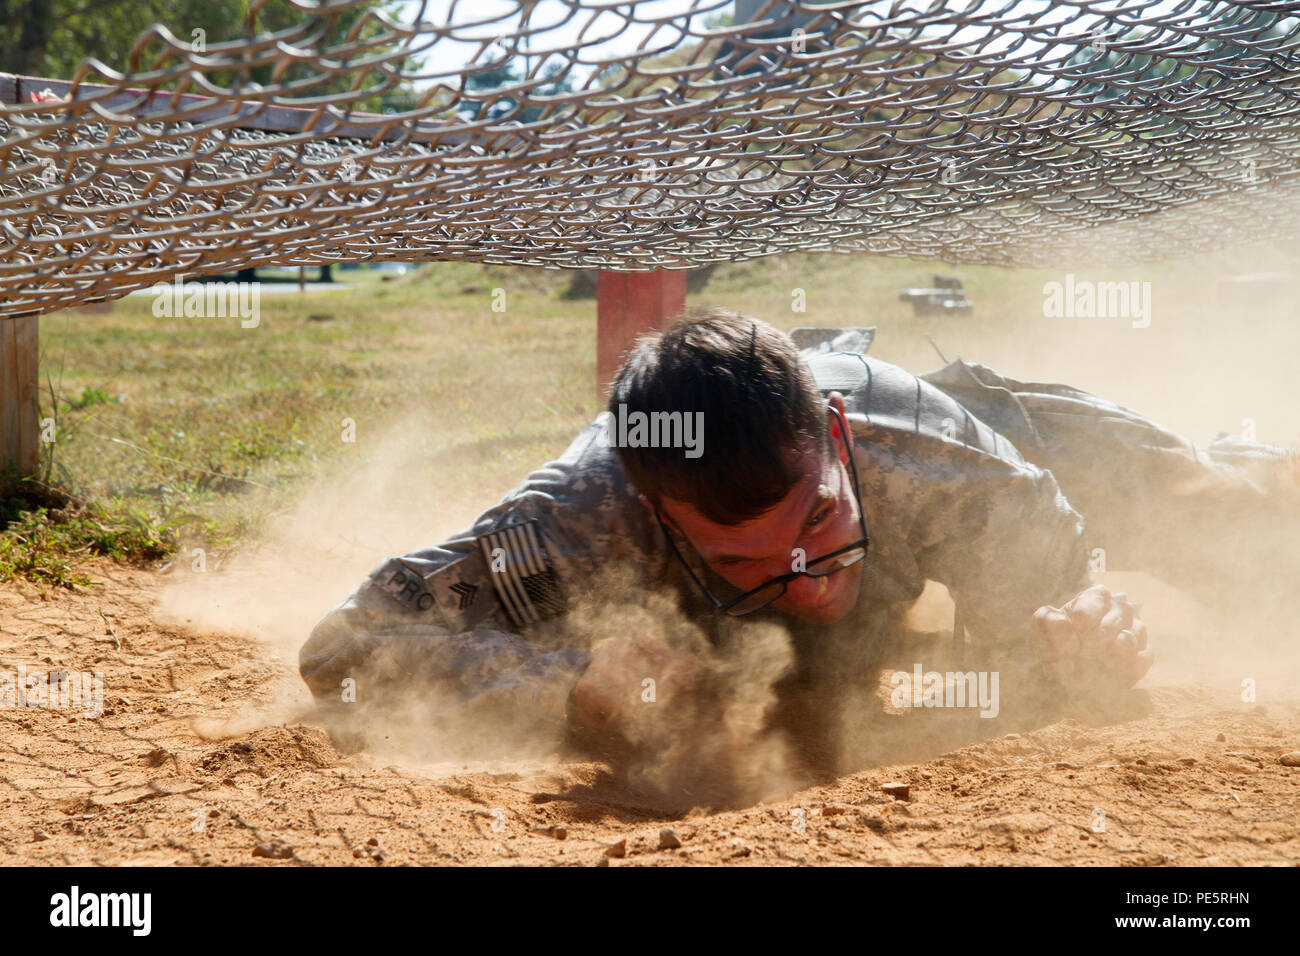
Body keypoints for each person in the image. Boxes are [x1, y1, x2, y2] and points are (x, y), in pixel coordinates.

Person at [298, 309, 1293, 767]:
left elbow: (1030, 651)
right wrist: (563, 689)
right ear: (653, 513)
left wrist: (1076, 642)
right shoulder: (580, 514)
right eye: (747, 562)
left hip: (999, 428)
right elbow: (342, 653)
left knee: (1211, 508)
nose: (808, 581)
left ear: (840, 442)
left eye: (817, 522)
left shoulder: (949, 470)